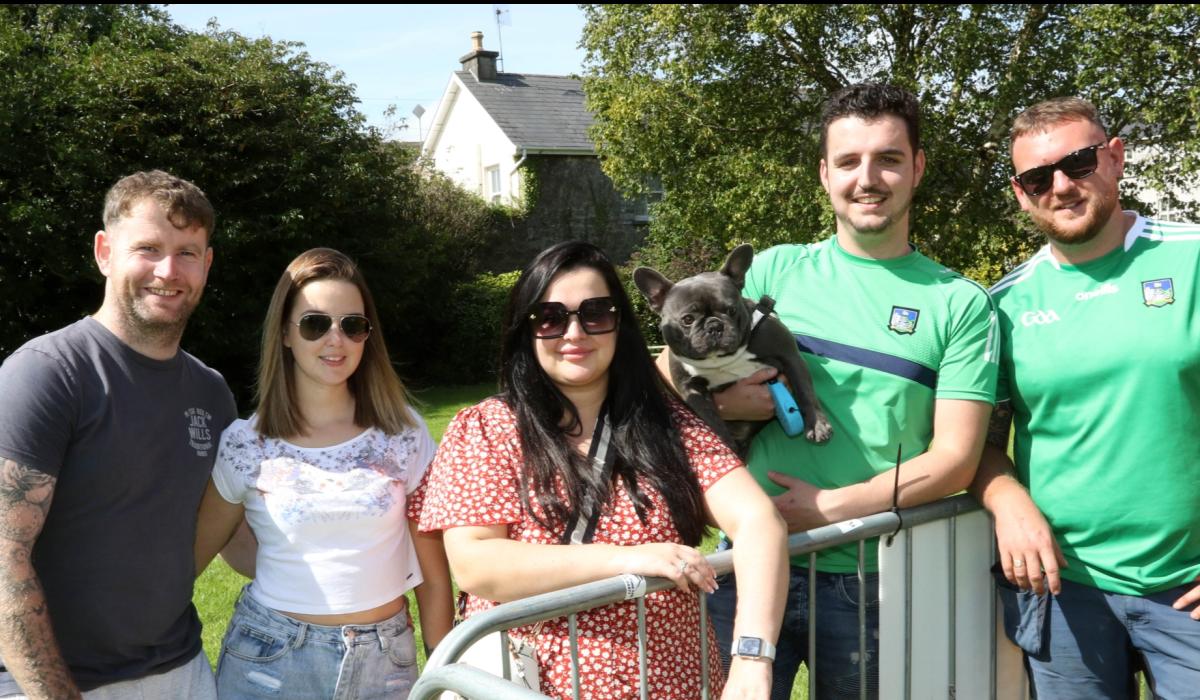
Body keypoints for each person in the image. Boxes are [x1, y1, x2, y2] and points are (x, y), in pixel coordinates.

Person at [668, 83, 998, 699]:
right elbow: (673, 362)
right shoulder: (772, 271)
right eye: (848, 161)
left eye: (888, 159)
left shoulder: (960, 305)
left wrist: (830, 509)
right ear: (825, 173)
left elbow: (957, 460)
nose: (866, 178)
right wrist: (716, 404)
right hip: (745, 565)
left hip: (868, 580)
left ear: (917, 167)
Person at [417, 241, 788, 699]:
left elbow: (757, 520)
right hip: (534, 686)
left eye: (595, 313)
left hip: (676, 683)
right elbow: (478, 564)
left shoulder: (667, 424)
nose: (574, 333)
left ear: (620, 326)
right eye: (550, 317)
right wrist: (626, 558)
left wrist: (752, 659)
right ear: (526, 330)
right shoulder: (488, 428)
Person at [969, 96, 1200, 699]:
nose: (1062, 186)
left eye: (1078, 163)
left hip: (1188, 590)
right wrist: (1007, 499)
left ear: (1115, 157)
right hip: (1062, 593)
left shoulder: (1192, 256)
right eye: (1038, 178)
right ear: (1021, 194)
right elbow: (979, 444)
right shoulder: (1003, 306)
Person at [0, 171, 237, 699]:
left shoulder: (212, 393)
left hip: (183, 672)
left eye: (187, 252)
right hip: (53, 682)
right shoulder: (47, 373)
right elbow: (3, 559)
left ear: (207, 264)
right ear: (105, 252)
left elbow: (226, 533)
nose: (168, 271)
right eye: (148, 248)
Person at [193, 248, 454, 699]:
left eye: (353, 325)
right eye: (316, 324)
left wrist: (446, 670)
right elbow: (192, 558)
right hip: (270, 662)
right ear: (286, 334)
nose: (336, 340)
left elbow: (433, 570)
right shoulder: (246, 442)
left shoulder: (402, 434)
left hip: (385, 663)